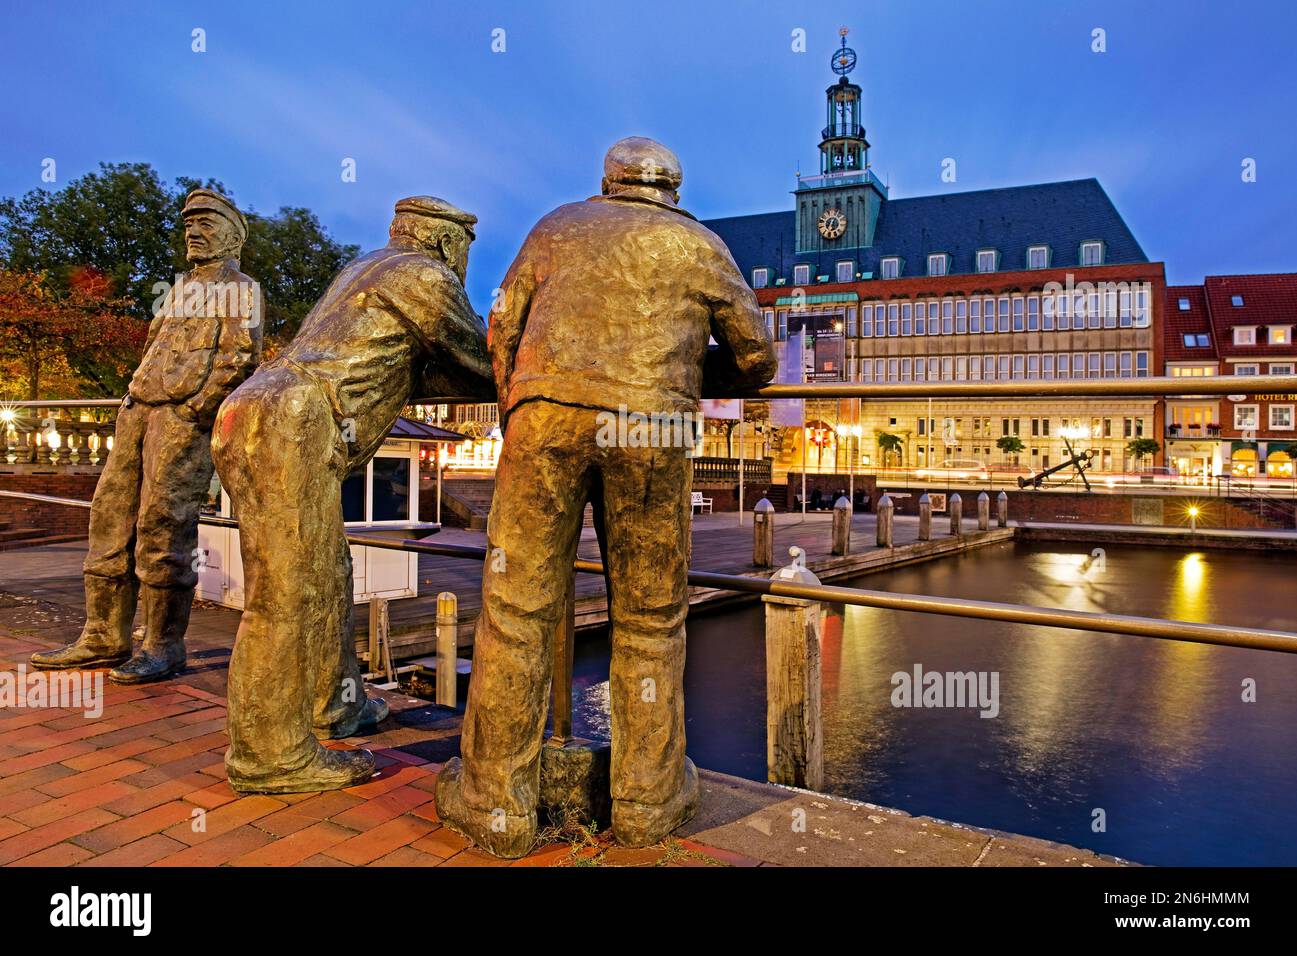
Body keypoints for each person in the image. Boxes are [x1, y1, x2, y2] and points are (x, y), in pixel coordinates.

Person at [436, 137, 777, 856]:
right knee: (651, 617)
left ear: (606, 184)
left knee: (514, 609)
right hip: (650, 425)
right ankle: (648, 801)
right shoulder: (699, 244)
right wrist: (679, 370)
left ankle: (496, 804)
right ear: (672, 193)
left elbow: (501, 327)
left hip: (545, 418)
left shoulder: (555, 226)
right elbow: (758, 358)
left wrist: (517, 406)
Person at [211, 196, 492, 793]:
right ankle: (268, 755)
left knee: (329, 572)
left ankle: (335, 703)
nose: (464, 263)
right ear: (448, 243)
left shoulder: (364, 267)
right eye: (465, 249)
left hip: (259, 407)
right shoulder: (425, 273)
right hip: (299, 419)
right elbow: (482, 365)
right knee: (284, 592)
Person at [31, 188, 262, 684]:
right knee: (109, 516)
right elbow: (156, 347)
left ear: (233, 235)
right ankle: (103, 635)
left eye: (205, 223)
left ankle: (163, 645)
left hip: (180, 417)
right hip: (139, 408)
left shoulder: (242, 288)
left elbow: (241, 357)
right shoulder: (180, 288)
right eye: (188, 225)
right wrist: (132, 401)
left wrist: (197, 408)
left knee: (163, 522)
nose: (193, 233)